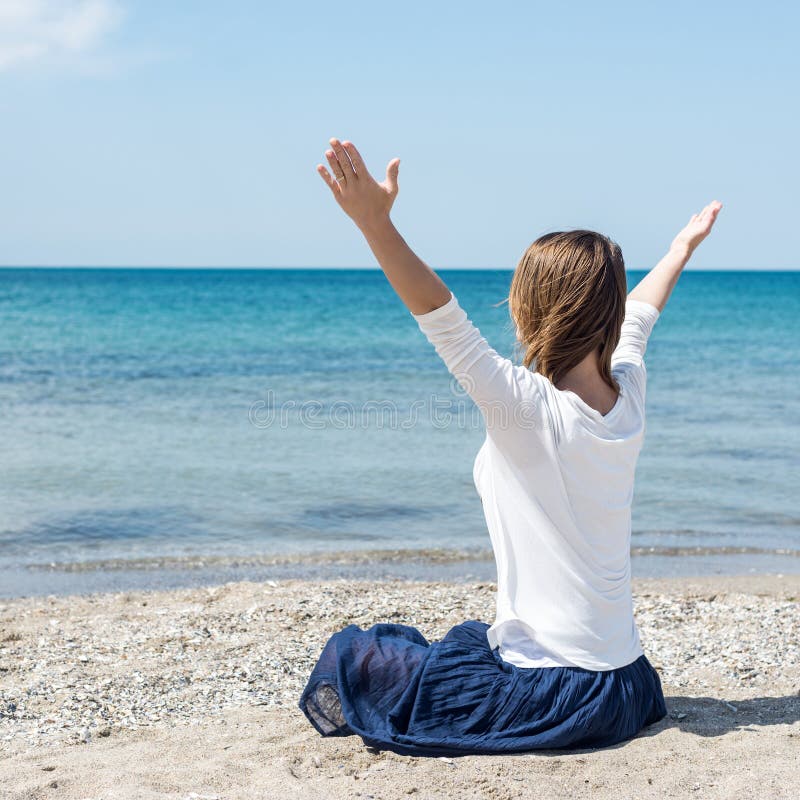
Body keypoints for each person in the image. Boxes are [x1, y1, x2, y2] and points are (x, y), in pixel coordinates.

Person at [298, 137, 723, 755]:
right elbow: (640, 316)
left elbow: (441, 317)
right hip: (627, 686)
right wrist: (679, 250)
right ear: (604, 313)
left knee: (353, 655)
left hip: (555, 692)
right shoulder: (626, 393)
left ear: (530, 310)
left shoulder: (526, 409)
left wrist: (374, 224)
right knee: (444, 644)